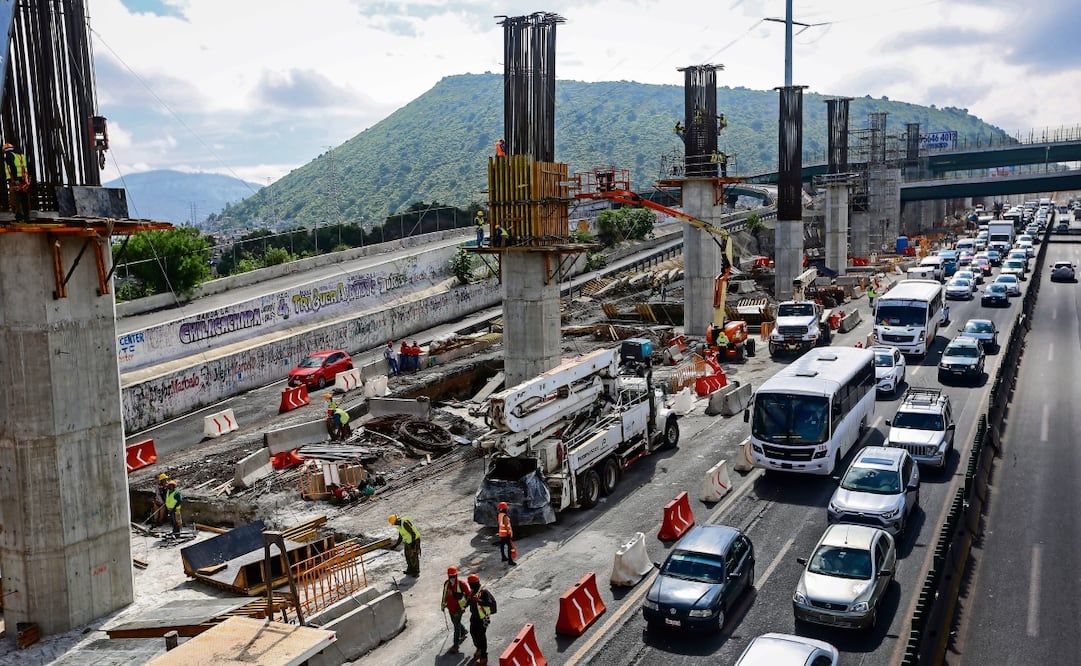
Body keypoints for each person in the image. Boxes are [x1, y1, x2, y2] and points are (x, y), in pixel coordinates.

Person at [466, 573, 496, 666]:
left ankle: (484, 657)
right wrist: (464, 606)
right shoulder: (473, 591)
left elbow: (489, 603)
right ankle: (478, 648)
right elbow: (468, 600)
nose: (470, 586)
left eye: (471, 584)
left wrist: (478, 601)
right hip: (474, 617)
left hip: (483, 618)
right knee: (473, 633)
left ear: (475, 583)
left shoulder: (483, 592)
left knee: (481, 637)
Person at [441, 566, 471, 654]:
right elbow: (444, 595)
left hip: (459, 609)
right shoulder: (447, 584)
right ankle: (464, 631)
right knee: (455, 622)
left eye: (453, 576)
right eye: (450, 577)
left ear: (456, 575)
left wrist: (464, 606)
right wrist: (443, 605)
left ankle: (455, 645)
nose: (452, 578)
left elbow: (469, 595)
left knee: (456, 626)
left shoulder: (462, 584)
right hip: (450, 608)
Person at [3, 143, 30, 222]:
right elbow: (29, 166)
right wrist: (27, 180)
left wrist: (15, 179)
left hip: (15, 180)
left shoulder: (8, 155)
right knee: (24, 198)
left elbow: (12, 166)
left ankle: (19, 217)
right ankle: (26, 217)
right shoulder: (21, 155)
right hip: (24, 179)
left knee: (16, 198)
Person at [496, 501, 516, 566]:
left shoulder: (500, 515)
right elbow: (507, 526)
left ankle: (503, 557)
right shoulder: (505, 517)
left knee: (502, 545)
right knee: (510, 547)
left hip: (501, 533)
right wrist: (510, 534)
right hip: (506, 534)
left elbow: (500, 524)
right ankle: (510, 561)